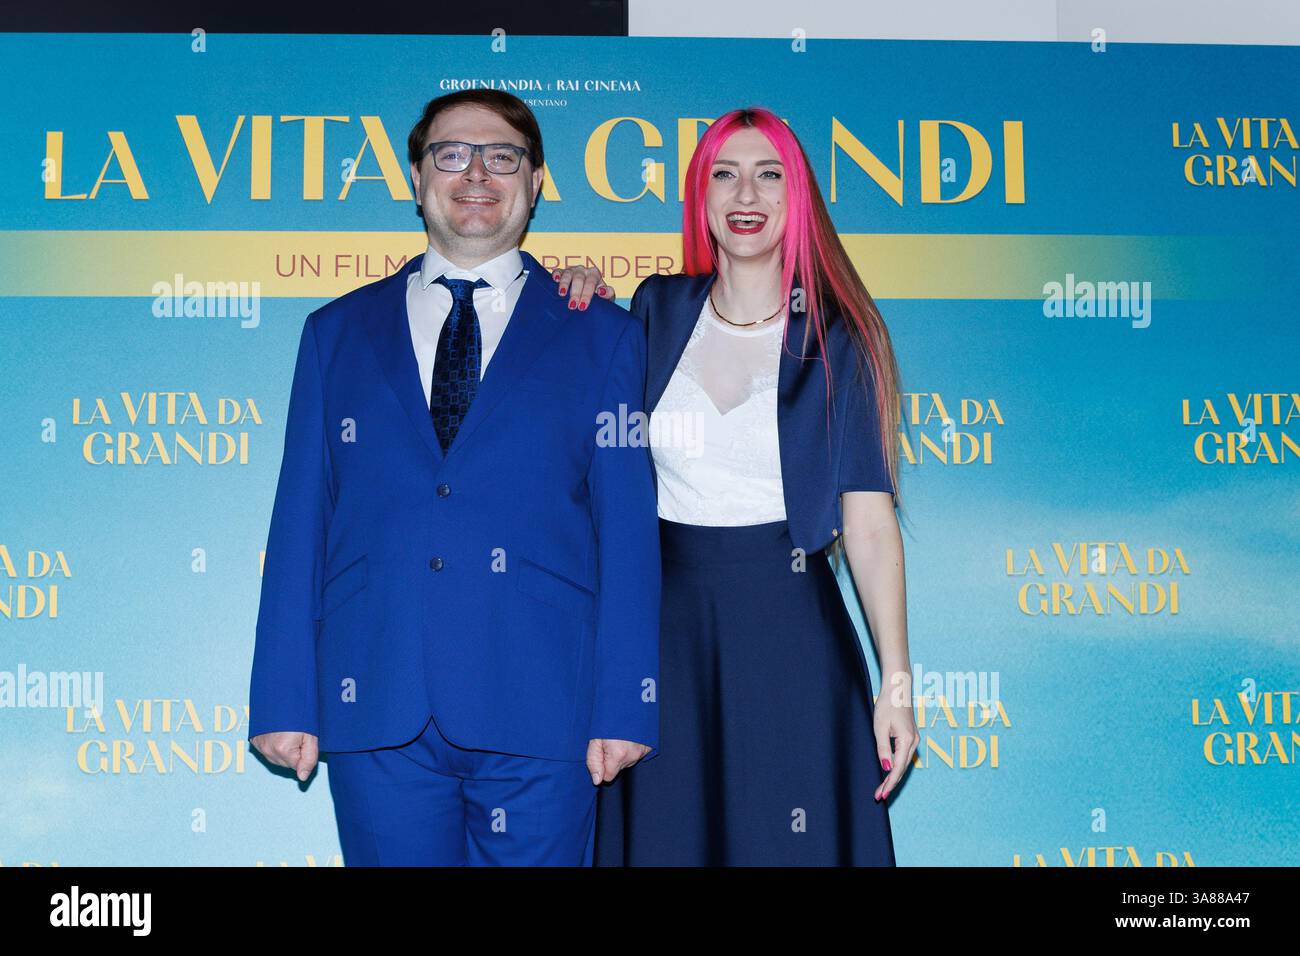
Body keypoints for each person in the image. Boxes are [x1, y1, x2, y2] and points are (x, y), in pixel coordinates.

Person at [246, 89, 661, 866]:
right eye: (452, 154)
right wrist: (282, 696)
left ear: (536, 182)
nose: (476, 172)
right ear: (416, 177)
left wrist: (626, 703)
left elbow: (630, 535)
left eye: (502, 156)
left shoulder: (603, 335)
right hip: (374, 700)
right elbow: (300, 519)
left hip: (546, 707)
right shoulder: (333, 333)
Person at [555, 106, 918, 865]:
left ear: (799, 198)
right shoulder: (653, 308)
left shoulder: (841, 335)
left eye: (768, 173)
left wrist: (897, 681)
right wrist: (574, 293)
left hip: (792, 634)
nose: (745, 192)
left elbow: (870, 523)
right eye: (724, 173)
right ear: (701, 197)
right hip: (664, 634)